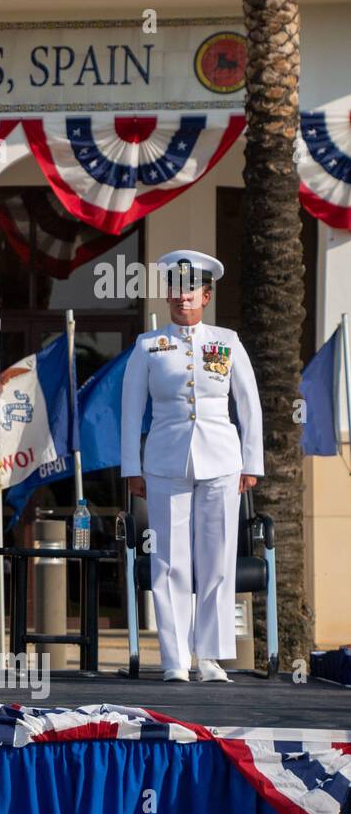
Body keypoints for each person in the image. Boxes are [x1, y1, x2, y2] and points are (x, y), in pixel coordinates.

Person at [120, 249, 263, 684]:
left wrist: (251, 460)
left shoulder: (227, 341)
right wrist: (132, 466)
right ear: (168, 296)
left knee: (217, 560)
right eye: (175, 290)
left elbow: (249, 405)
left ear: (206, 294)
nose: (183, 298)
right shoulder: (149, 346)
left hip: (221, 460)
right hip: (165, 461)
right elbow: (130, 411)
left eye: (191, 291)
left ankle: (211, 656)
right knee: (168, 561)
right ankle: (174, 658)